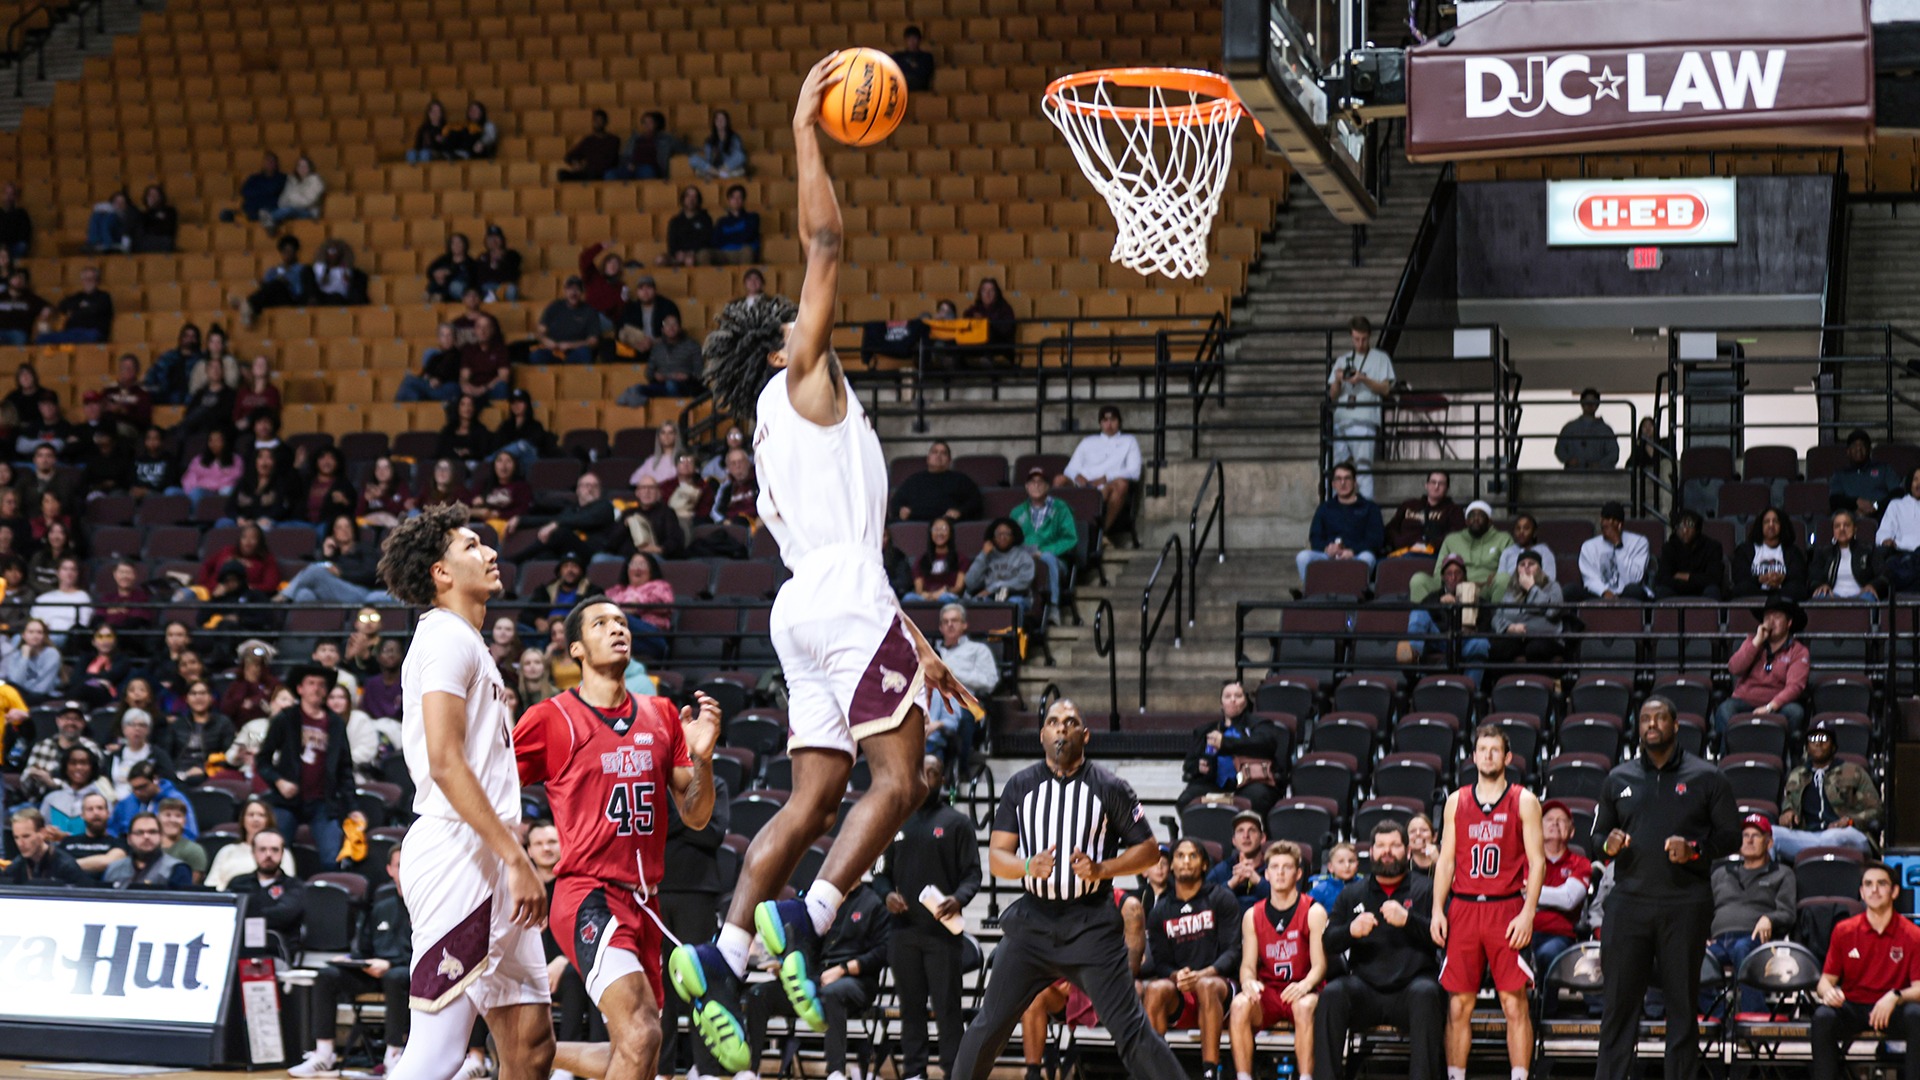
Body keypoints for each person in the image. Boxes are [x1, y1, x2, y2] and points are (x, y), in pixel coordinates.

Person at [669, 58, 975, 1074]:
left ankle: (722, 953)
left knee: (809, 801)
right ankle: (810, 918)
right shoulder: (803, 377)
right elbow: (827, 238)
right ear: (785, 343)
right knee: (901, 778)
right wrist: (804, 128)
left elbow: (846, 554)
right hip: (845, 600)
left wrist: (918, 645)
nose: (823, 324)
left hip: (810, 608)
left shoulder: (767, 438)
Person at [376, 504, 556, 1080]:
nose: (490, 552)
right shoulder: (445, 639)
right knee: (438, 1053)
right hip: (462, 854)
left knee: (529, 1044)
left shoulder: (470, 644)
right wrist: (515, 856)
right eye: (473, 545)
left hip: (490, 852)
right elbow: (446, 764)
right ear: (441, 573)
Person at [513, 596, 723, 1080]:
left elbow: (695, 817)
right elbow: (495, 786)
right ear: (576, 650)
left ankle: (534, 1051)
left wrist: (704, 760)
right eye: (601, 623)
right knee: (642, 1034)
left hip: (646, 901)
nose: (617, 629)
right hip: (588, 893)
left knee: (644, 1051)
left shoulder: (663, 713)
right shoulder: (551, 717)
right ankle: (529, 1049)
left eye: (623, 622)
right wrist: (512, 858)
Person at [949, 698, 1183, 1080]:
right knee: (988, 1024)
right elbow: (996, 859)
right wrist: (1027, 865)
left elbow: (1149, 850)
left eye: (1070, 722)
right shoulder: (1019, 786)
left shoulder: (1109, 786)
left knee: (1131, 1030)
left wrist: (1103, 868)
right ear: (1042, 734)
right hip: (1033, 923)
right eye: (1054, 722)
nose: (1061, 728)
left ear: (1084, 735)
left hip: (1091, 926)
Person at [1591, 696, 1741, 1080]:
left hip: (1685, 904)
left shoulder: (1707, 777)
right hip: (1628, 903)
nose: (1651, 724)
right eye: (1644, 718)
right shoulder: (1617, 778)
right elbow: (1596, 838)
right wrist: (1608, 845)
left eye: (1659, 718)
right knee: (1618, 1009)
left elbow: (1732, 838)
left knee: (1681, 1009)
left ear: (1676, 725)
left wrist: (1695, 851)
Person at [1431, 726, 1545, 1080]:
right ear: (1474, 756)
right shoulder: (1456, 800)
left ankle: (1521, 1076)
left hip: (1506, 908)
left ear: (1507, 758)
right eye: (1483, 749)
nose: (1489, 756)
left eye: (1495, 750)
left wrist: (1528, 913)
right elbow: (1446, 861)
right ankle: (1455, 1075)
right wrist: (1437, 908)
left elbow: (1538, 861)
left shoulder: (1523, 799)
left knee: (1514, 1003)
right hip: (1463, 908)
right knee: (1459, 1004)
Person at [875, 755, 980, 1080]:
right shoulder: (895, 820)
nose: (928, 777)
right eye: (923, 772)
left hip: (942, 936)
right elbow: (880, 874)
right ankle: (914, 1073)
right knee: (910, 1009)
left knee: (948, 1011)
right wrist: (886, 895)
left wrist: (958, 898)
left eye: (934, 772)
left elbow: (973, 875)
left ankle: (955, 1073)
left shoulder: (956, 823)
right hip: (902, 934)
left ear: (943, 780)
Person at [1315, 821, 1445, 1080]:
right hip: (1365, 989)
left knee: (1427, 992)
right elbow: (1328, 941)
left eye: (1395, 845)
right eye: (1381, 846)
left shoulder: (1427, 889)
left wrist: (1409, 920)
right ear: (1371, 853)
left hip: (1412, 988)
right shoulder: (1352, 893)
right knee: (1331, 994)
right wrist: (1350, 931)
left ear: (1407, 852)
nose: (1388, 851)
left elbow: (1444, 939)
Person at [294, 844, 414, 1077]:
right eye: (399, 865)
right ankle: (324, 1053)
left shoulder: (424, 906)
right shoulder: (381, 907)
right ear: (390, 870)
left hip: (405, 974)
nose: (404, 870)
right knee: (327, 976)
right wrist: (351, 960)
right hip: (373, 973)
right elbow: (364, 948)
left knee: (395, 976)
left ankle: (394, 1055)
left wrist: (391, 963)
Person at [1141, 838, 1242, 1080]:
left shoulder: (1221, 898)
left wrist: (1205, 973)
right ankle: (1156, 1073)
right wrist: (1176, 976)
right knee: (1155, 989)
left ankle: (1210, 1072)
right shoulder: (1159, 912)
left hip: (1221, 987)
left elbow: (1233, 951)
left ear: (1205, 865)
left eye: (1193, 856)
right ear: (1172, 865)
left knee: (1207, 986)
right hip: (1183, 991)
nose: (1186, 861)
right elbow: (1162, 962)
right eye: (1180, 856)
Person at [1810, 862, 1920, 1080]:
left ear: (1894, 891)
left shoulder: (1913, 934)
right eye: (1868, 884)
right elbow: (1825, 981)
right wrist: (1828, 992)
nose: (1874, 890)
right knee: (1823, 1017)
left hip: (1892, 1009)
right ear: (1861, 892)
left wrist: (1896, 996)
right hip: (1853, 1006)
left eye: (1881, 884)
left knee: (1917, 1015)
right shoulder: (1844, 930)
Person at [1228, 842, 1327, 1080]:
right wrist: (1248, 981)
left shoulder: (1314, 911)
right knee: (1239, 1004)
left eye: (1287, 867)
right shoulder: (1253, 914)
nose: (1280, 872)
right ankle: (1243, 1077)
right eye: (1275, 867)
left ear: (1298, 873)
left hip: (1303, 989)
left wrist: (1304, 985)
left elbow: (1320, 966)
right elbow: (1248, 965)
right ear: (1267, 873)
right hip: (1270, 992)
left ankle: (1306, 1077)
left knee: (1304, 1007)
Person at [256, 665, 359, 868]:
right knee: (274, 856)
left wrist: (353, 807)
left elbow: (345, 769)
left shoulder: (336, 723)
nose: (317, 689)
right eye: (311, 683)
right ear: (300, 688)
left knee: (333, 860)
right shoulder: (285, 719)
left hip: (323, 802)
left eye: (322, 684)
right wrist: (279, 781)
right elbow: (263, 760)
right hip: (287, 801)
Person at [1704, 814, 1797, 1018]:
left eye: (1756, 835)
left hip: (1756, 940)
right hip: (1718, 941)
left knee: (1742, 948)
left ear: (1769, 842)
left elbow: (1788, 913)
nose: (1749, 840)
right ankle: (1722, 1019)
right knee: (1691, 958)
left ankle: (1752, 1021)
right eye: (1745, 835)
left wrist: (1770, 919)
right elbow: (1704, 909)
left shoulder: (1782, 873)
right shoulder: (1721, 873)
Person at [1775, 719, 1882, 858]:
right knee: (1769, 835)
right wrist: (1787, 814)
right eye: (1813, 739)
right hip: (1808, 837)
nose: (1818, 743)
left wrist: (1850, 820)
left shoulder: (1854, 771)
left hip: (1847, 834)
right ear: (1807, 746)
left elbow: (1876, 811)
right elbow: (1788, 804)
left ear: (1833, 746)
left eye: (1824, 739)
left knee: (1832, 837)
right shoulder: (1797, 774)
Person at [1711, 596, 1810, 738]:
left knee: (1795, 712)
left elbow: (1795, 686)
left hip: (1778, 704)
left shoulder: (1798, 650)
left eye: (1776, 617)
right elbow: (1734, 668)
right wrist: (1756, 643)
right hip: (1744, 700)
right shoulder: (1752, 641)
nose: (1770, 621)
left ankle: (1787, 757)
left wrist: (1770, 707)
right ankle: (1728, 756)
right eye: (1767, 616)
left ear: (1789, 623)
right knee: (1725, 709)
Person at [1178, 682, 1281, 817]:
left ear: (1246, 701)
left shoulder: (1259, 725)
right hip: (1214, 783)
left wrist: (1225, 743)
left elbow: (1264, 745)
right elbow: (1189, 764)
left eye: (1238, 696)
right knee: (1186, 800)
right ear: (1221, 703)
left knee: (1258, 798)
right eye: (1227, 696)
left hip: (1249, 783)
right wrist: (1199, 767)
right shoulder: (1206, 731)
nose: (1233, 699)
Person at [1325, 316, 1395, 499]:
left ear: (1369, 336)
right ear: (1351, 337)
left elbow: (1386, 389)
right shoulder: (1343, 360)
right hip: (1342, 418)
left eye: (1363, 339)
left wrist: (1364, 379)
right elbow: (1332, 395)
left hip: (1365, 418)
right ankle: (1334, 507)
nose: (1360, 343)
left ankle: (1366, 508)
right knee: (1336, 468)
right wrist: (1339, 379)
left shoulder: (1380, 358)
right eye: (1356, 339)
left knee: (1363, 467)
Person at [925, 603, 998, 774]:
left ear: (964, 624)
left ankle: (961, 770)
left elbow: (990, 681)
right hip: (932, 700)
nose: (950, 624)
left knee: (960, 716)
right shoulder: (931, 652)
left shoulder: (978, 650)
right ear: (940, 627)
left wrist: (952, 673)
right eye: (946, 621)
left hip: (965, 702)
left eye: (955, 621)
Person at [1530, 801, 1590, 983]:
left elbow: (1569, 899)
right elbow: (1516, 893)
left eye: (1562, 820)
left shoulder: (1580, 863)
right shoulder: (1524, 860)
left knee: (1549, 954)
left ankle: (1547, 1010)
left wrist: (1530, 892)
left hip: (1559, 935)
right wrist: (1554, 894)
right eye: (1548, 819)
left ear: (1571, 831)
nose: (1555, 823)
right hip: (1521, 932)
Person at [1058, 405, 1141, 536]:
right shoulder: (1088, 441)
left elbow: (1134, 472)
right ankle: (1056, 528)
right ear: (1100, 423)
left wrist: (1106, 478)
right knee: (1059, 480)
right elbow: (1070, 468)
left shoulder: (1129, 441)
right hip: (1083, 484)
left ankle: (1101, 533)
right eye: (1105, 420)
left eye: (1112, 420)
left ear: (1119, 422)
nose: (1109, 424)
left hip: (1108, 484)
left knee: (1121, 485)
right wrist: (1077, 477)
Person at [1409, 500, 1509, 603]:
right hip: (1452, 586)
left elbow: (1510, 570)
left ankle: (1496, 617)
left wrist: (1485, 582)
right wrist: (1451, 586)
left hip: (1484, 589)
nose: (1475, 519)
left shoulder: (1503, 539)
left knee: (1504, 579)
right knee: (1419, 580)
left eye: (1481, 516)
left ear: (1490, 521)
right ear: (1466, 521)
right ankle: (1421, 618)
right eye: (1471, 516)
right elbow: (1439, 571)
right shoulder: (1452, 539)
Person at [1296, 462, 1382, 581]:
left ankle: (1356, 594)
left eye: (1347, 478)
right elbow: (1315, 537)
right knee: (1303, 557)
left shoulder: (1370, 508)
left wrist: (1352, 551)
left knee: (1367, 558)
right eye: (1338, 479)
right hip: (1328, 555)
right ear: (1333, 484)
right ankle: (1312, 595)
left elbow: (1376, 540)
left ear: (1355, 482)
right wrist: (1327, 549)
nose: (1343, 483)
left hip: (1357, 554)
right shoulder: (1325, 508)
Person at [1011, 465, 1081, 611]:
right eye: (1032, 482)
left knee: (1047, 557)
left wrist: (1043, 552)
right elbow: (1011, 540)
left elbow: (1070, 539)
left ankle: (1053, 607)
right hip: (1024, 558)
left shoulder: (1061, 509)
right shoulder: (1017, 512)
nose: (1036, 485)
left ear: (1048, 486)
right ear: (1026, 487)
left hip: (1056, 560)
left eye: (1040, 482)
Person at [1486, 550, 1565, 664]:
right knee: (1496, 647)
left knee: (1535, 648)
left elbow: (1552, 611)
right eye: (1522, 565)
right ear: (1517, 570)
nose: (1526, 567)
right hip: (1515, 639)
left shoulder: (1552, 587)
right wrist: (1508, 627)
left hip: (1546, 639)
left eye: (1531, 564)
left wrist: (1531, 589)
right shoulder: (1511, 590)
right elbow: (1497, 616)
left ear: (1540, 569)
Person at [225, 829, 307, 936]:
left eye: (275, 850)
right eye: (262, 849)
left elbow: (283, 916)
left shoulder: (294, 885)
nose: (268, 854)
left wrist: (243, 914)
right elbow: (226, 914)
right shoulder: (238, 882)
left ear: (282, 853)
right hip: (239, 946)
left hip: (277, 949)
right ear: (253, 853)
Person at [21, 698, 102, 797]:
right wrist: (32, 776)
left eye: (76, 719)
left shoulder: (91, 748)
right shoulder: (43, 746)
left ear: (83, 723)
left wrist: (52, 783)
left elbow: (96, 784)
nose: (71, 723)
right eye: (66, 718)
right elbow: (25, 784)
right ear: (58, 721)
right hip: (42, 800)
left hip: (81, 801)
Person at [890, 441, 984, 523]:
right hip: (917, 525)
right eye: (935, 452)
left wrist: (960, 512)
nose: (938, 456)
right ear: (928, 458)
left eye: (943, 453)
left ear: (949, 460)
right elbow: (896, 502)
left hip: (948, 526)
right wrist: (901, 510)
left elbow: (975, 501)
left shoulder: (961, 480)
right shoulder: (914, 480)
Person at [1577, 501, 1653, 600]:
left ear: (1622, 524)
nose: (1611, 523)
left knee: (1634, 590)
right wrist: (1604, 592)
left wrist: (1617, 544)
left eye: (1615, 520)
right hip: (1599, 593)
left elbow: (1634, 579)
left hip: (1628, 592)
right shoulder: (1589, 546)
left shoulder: (1639, 542)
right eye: (1607, 519)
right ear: (1601, 521)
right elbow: (1589, 578)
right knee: (1571, 591)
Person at [109, 758, 200, 839]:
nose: (138, 792)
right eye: (134, 788)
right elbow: (111, 830)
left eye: (142, 787)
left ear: (155, 780)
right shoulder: (127, 802)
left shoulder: (176, 800)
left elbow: (190, 834)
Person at [100, 810, 193, 889]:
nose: (146, 836)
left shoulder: (177, 869)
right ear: (129, 838)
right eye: (139, 832)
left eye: (152, 832)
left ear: (161, 836)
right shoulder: (113, 869)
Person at [1732, 506, 1809, 600]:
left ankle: (1774, 602)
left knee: (1797, 590)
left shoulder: (1793, 551)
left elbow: (1799, 577)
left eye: (1775, 521)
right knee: (1742, 589)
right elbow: (1740, 577)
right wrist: (1759, 579)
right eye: (1766, 521)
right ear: (1760, 526)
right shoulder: (1744, 550)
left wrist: (1783, 578)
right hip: (1755, 593)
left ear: (1782, 525)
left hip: (1783, 594)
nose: (1771, 525)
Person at [1811, 509, 1888, 600]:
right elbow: (1813, 577)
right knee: (1819, 597)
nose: (1842, 529)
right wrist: (1820, 585)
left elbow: (1884, 575)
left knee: (1869, 598)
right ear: (1833, 531)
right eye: (1837, 526)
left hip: (1861, 595)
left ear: (1855, 529)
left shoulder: (1869, 550)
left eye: (1846, 525)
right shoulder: (1823, 552)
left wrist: (1872, 585)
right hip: (1831, 596)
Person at [1382, 471, 1463, 558]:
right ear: (1426, 485)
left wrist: (1431, 545)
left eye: (1441, 484)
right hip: (1401, 551)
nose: (1436, 487)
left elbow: (1456, 535)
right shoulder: (1409, 505)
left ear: (1447, 488)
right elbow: (1391, 528)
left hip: (1431, 554)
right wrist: (1399, 542)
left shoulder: (1453, 510)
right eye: (1433, 482)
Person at [1205, 811, 1273, 911]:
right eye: (1240, 831)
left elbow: (1286, 900)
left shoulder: (1274, 867)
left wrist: (1258, 881)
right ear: (1234, 841)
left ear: (1262, 838)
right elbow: (1205, 903)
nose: (1246, 836)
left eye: (1252, 830)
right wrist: (1231, 883)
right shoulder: (1222, 869)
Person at [1653, 508, 1726, 599]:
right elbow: (1663, 578)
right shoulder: (1669, 547)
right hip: (1676, 588)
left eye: (1690, 526)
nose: (1685, 531)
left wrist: (1687, 577)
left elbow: (1714, 578)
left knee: (1713, 591)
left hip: (1702, 589)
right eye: (1680, 526)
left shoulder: (1712, 547)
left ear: (1697, 529)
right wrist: (1697, 579)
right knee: (1662, 591)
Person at [5, 807, 89, 885]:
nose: (20, 843)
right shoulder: (15, 868)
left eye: (26, 836)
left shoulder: (66, 866)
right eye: (16, 837)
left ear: (42, 833)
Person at [534, 276, 603, 365]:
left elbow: (593, 341)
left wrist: (571, 345)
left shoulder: (590, 311)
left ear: (582, 293)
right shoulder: (554, 307)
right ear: (565, 291)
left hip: (575, 351)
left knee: (585, 354)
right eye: (570, 289)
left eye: (577, 289)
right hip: (554, 350)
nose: (573, 293)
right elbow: (540, 331)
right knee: (536, 356)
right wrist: (545, 340)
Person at [58, 790, 127, 879]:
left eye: (100, 808)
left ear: (108, 813)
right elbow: (55, 865)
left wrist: (68, 865)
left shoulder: (119, 842)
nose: (96, 813)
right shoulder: (68, 842)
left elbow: (110, 861)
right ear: (82, 815)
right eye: (90, 809)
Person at [1828, 428, 1899, 515]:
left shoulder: (1884, 468)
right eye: (1854, 446)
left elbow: (1897, 493)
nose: (1858, 449)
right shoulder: (1840, 474)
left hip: (1883, 516)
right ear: (1848, 451)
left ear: (1869, 450)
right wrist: (1856, 503)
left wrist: (1875, 506)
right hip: (1851, 518)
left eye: (1862, 445)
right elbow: (1834, 501)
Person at [1554, 388, 1618, 470]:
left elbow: (1613, 454)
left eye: (1593, 402)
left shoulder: (1606, 430)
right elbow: (1559, 448)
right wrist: (1569, 460)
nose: (1590, 404)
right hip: (1574, 474)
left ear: (1598, 404)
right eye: (1587, 402)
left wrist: (1599, 465)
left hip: (1598, 476)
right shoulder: (1570, 428)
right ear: (1581, 403)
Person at [560, 108, 622, 181]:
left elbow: (611, 161)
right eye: (595, 120)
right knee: (562, 174)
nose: (597, 123)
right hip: (587, 172)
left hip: (602, 173)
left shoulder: (613, 140)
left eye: (600, 120)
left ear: (605, 122)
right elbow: (569, 156)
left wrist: (587, 165)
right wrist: (576, 163)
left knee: (594, 175)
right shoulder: (588, 140)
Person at [661, 187, 715, 267]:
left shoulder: (705, 219)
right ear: (683, 199)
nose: (691, 199)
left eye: (694, 197)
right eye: (688, 196)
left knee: (689, 260)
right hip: (678, 255)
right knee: (660, 260)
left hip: (695, 254)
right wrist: (677, 253)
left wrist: (691, 252)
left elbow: (706, 240)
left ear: (698, 200)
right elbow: (671, 241)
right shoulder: (675, 221)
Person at [689, 110, 748, 180]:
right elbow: (709, 160)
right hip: (714, 167)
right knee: (693, 159)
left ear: (726, 122)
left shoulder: (734, 137)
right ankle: (722, 174)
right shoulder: (709, 140)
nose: (720, 121)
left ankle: (716, 173)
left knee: (740, 155)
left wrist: (724, 166)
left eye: (722, 119)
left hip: (729, 166)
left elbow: (737, 155)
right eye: (717, 119)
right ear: (714, 122)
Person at [1306, 842, 1358, 913]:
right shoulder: (1320, 890)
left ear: (1357, 864)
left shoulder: (1365, 886)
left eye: (1351, 861)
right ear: (1330, 867)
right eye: (1341, 862)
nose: (1347, 865)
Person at [891, 26, 935, 91]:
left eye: (914, 38)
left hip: (919, 86)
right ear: (905, 40)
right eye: (909, 39)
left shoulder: (926, 57)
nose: (912, 41)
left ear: (919, 40)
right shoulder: (898, 56)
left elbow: (924, 73)